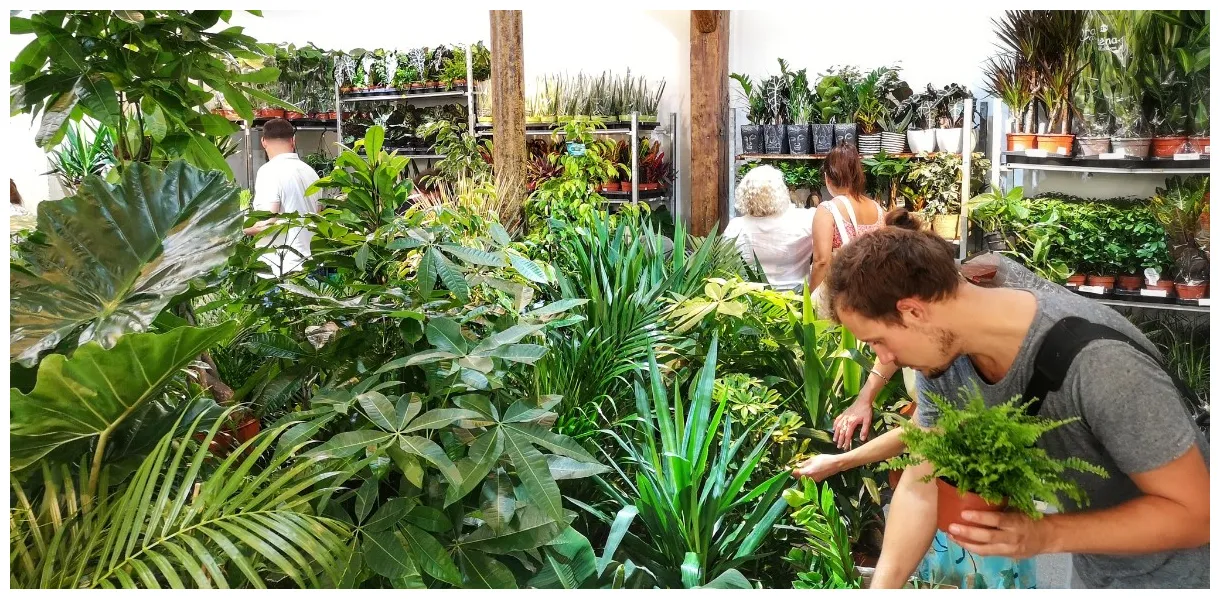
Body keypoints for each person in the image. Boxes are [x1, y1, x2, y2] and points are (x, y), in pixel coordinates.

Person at [803, 226, 1210, 589]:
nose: (884, 359)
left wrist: (1046, 534)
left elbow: (1197, 515)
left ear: (913, 311)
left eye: (877, 341)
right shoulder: (942, 358)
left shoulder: (1101, 365)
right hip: (1096, 569)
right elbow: (921, 480)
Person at [808, 144, 885, 317]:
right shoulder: (877, 209)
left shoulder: (827, 210)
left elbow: (821, 261)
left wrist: (810, 297)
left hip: (841, 297)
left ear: (828, 177)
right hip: (871, 297)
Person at [244, 118, 321, 278]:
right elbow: (318, 216)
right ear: (293, 140)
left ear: (263, 142)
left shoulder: (269, 172)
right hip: (310, 264)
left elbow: (267, 223)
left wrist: (237, 231)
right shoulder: (310, 172)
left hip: (280, 269)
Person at [722, 164, 814, 290]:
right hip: (797, 297)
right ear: (781, 191)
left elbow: (725, 265)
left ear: (744, 193)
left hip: (751, 298)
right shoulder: (805, 220)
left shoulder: (735, 227)